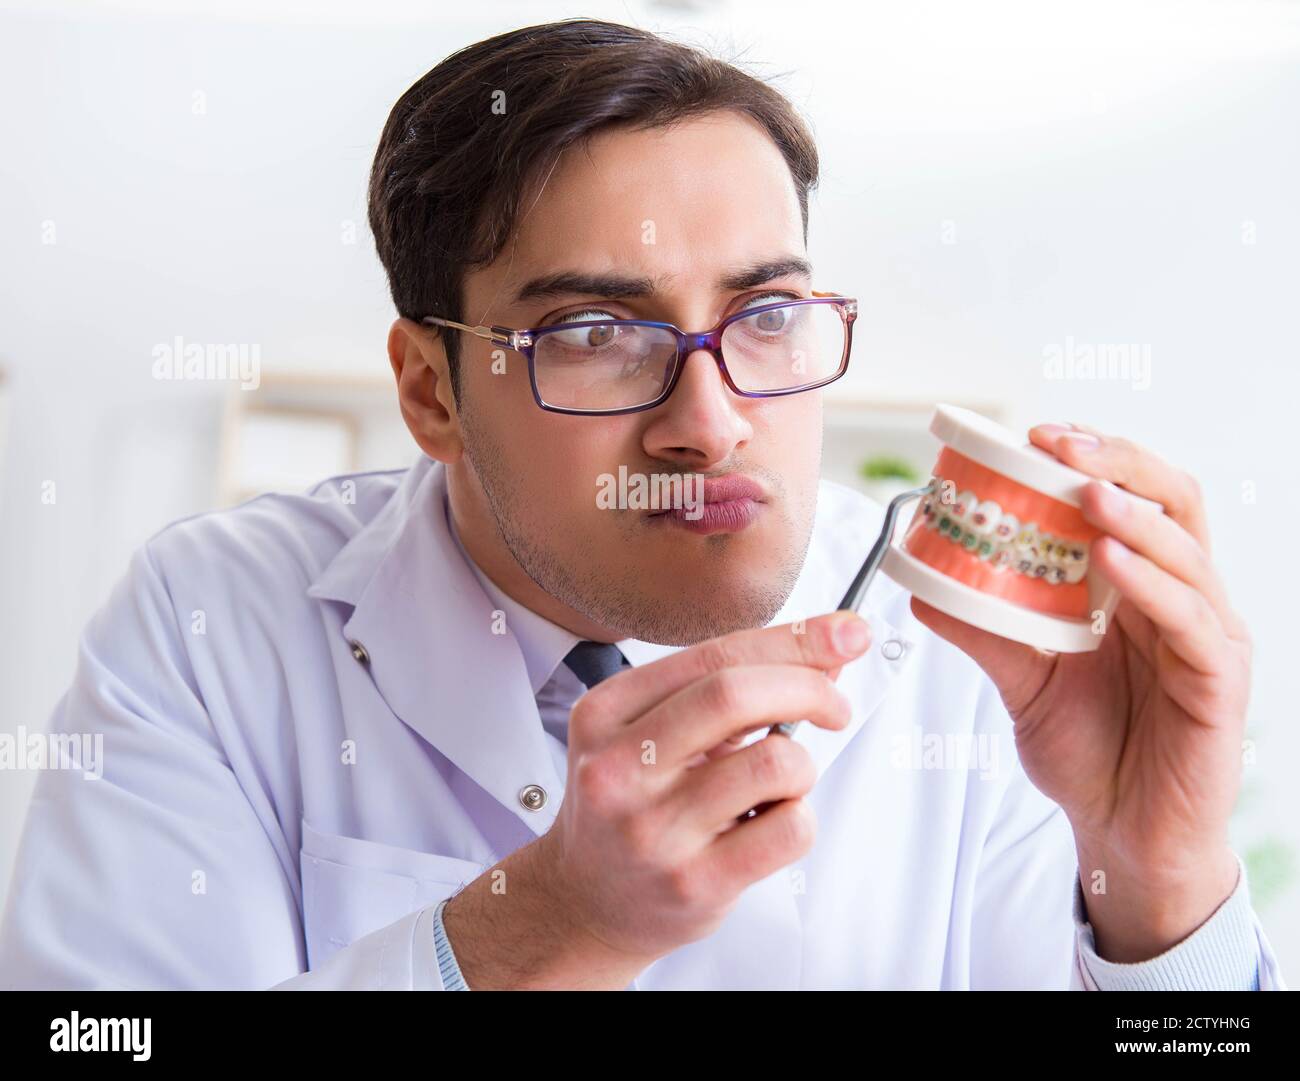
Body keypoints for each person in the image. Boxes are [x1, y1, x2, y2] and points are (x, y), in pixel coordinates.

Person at [0, 18, 1283, 990]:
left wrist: (1160, 885)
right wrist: (542, 925)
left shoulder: (977, 659)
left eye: (765, 316)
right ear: (430, 390)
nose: (710, 422)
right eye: (598, 333)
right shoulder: (213, 623)